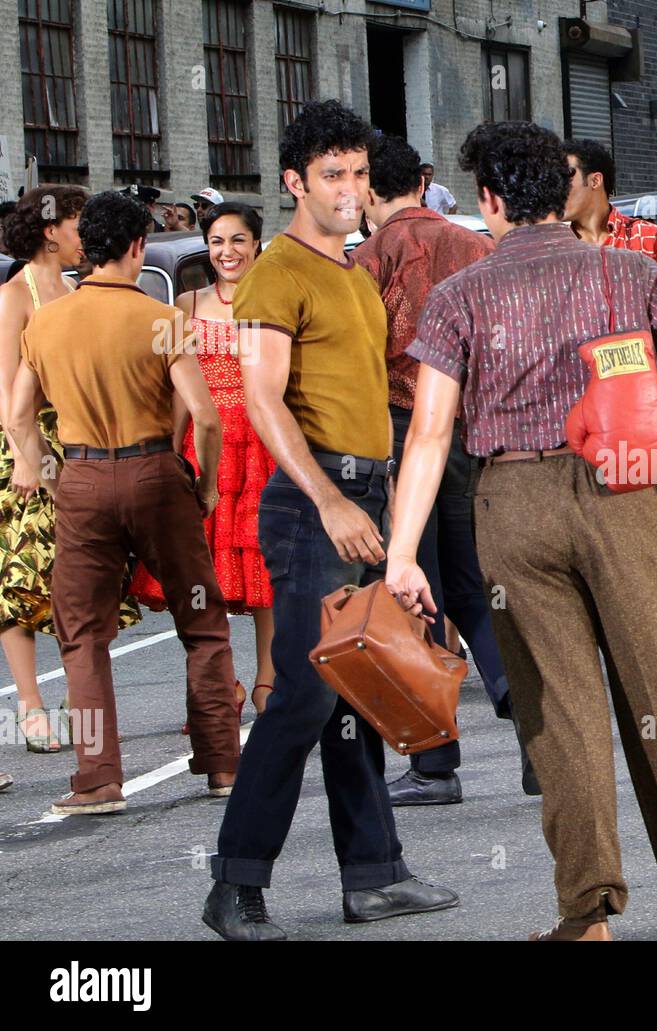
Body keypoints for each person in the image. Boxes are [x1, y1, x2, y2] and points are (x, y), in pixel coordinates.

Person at [388, 120, 657, 941]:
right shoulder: (627, 271)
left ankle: (587, 914)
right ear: (566, 189)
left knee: (557, 713)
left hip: (511, 504)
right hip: (620, 491)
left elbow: (427, 434)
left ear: (489, 201)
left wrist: (401, 554)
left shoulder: (460, 294)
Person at [203, 100, 457, 942]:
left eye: (357, 174)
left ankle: (374, 874)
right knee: (305, 697)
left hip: (369, 494)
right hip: (315, 506)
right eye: (331, 176)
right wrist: (333, 499)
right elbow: (263, 398)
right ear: (294, 182)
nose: (350, 190)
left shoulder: (351, 272)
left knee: (363, 682)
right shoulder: (277, 270)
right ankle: (234, 885)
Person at [10, 190, 240, 814]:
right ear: (138, 248)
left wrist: (51, 475)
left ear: (86, 250)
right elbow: (206, 418)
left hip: (83, 480)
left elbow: (17, 416)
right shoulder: (161, 319)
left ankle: (97, 780)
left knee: (81, 634)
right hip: (156, 476)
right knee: (201, 621)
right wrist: (208, 483)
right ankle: (221, 763)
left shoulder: (46, 322)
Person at [352, 134, 535, 807]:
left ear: (371, 189)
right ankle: (532, 732)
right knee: (471, 587)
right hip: (472, 429)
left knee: (414, 592)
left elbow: (362, 361)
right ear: (423, 181)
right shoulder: (476, 246)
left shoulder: (366, 260)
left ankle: (434, 761)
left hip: (403, 430)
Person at [0, 187, 141, 756]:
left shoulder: (77, 288)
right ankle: (30, 704)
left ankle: (77, 699)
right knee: (22, 577)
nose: (85, 235)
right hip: (26, 447)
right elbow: (6, 388)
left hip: (82, 440)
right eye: (79, 224)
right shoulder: (15, 295)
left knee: (82, 573)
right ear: (50, 229)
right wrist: (32, 460)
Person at [129, 202, 276, 723]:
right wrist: (169, 451)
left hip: (261, 445)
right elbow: (172, 389)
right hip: (201, 448)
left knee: (264, 571)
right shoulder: (184, 306)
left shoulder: (277, 299)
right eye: (217, 241)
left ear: (257, 244)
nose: (227, 252)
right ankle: (222, 684)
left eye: (237, 240)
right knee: (198, 574)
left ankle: (267, 681)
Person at [563, 138, 657, 303]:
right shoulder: (556, 249)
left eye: (565, 175)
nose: (557, 188)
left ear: (595, 180)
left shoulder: (652, 239)